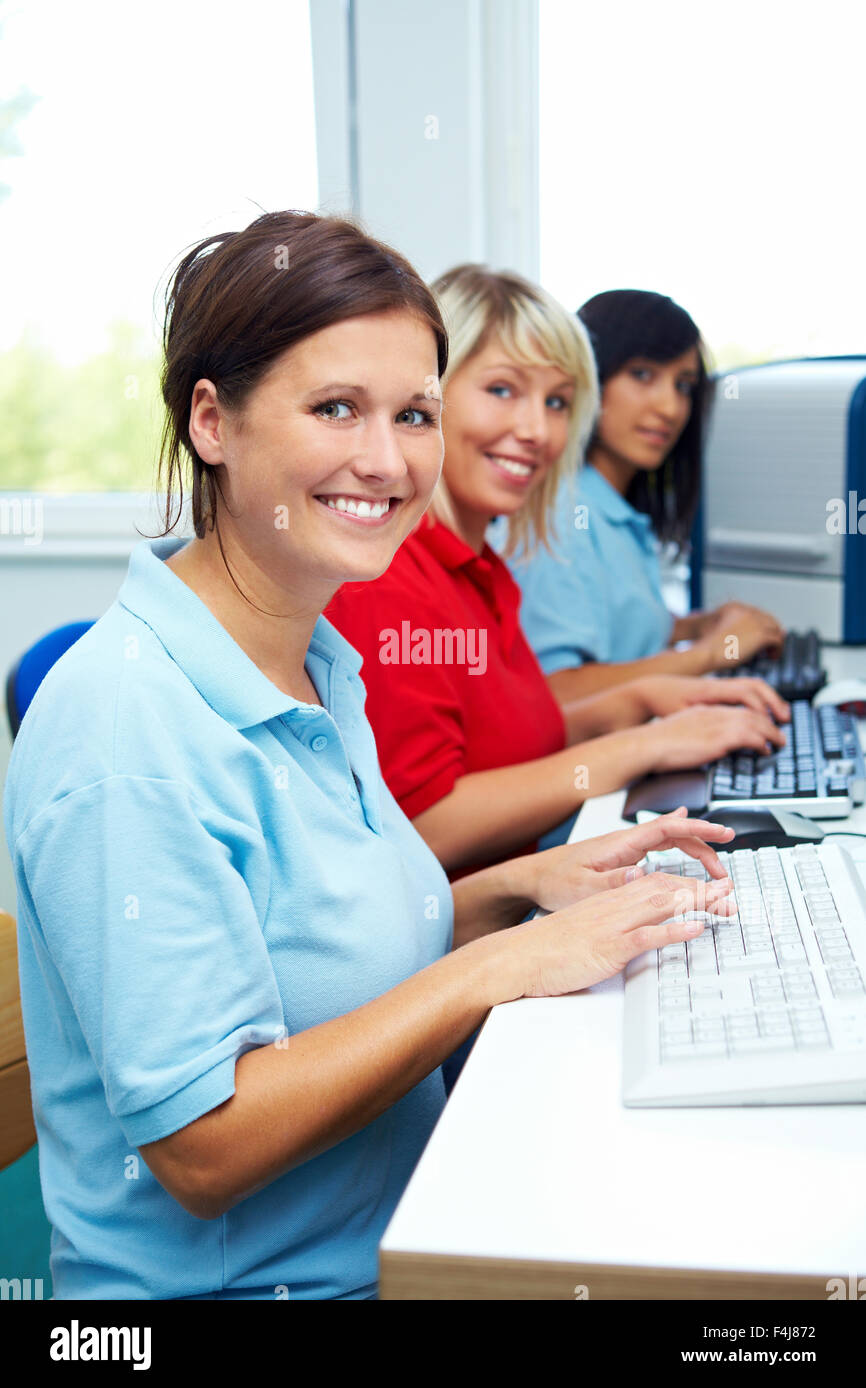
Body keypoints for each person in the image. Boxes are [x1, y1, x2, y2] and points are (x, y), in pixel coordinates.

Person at [2, 212, 740, 1301]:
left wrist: (525, 888)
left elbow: (332, 944)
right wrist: (498, 964)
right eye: (334, 408)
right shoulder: (125, 727)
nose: (386, 460)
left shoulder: (316, 659)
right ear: (213, 420)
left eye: (413, 414)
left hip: (409, 1226)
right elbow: (206, 1147)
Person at [327, 265, 789, 877]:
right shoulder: (387, 576)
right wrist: (643, 744)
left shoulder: (482, 567)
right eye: (502, 390)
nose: (536, 430)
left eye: (557, 403)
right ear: (424, 397)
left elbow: (507, 738)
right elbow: (426, 825)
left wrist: (641, 698)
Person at [502, 288, 787, 705]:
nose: (670, 407)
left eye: (684, 385)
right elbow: (557, 693)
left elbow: (614, 631)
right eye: (642, 375)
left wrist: (696, 628)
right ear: (589, 376)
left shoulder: (609, 508)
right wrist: (711, 653)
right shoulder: (561, 516)